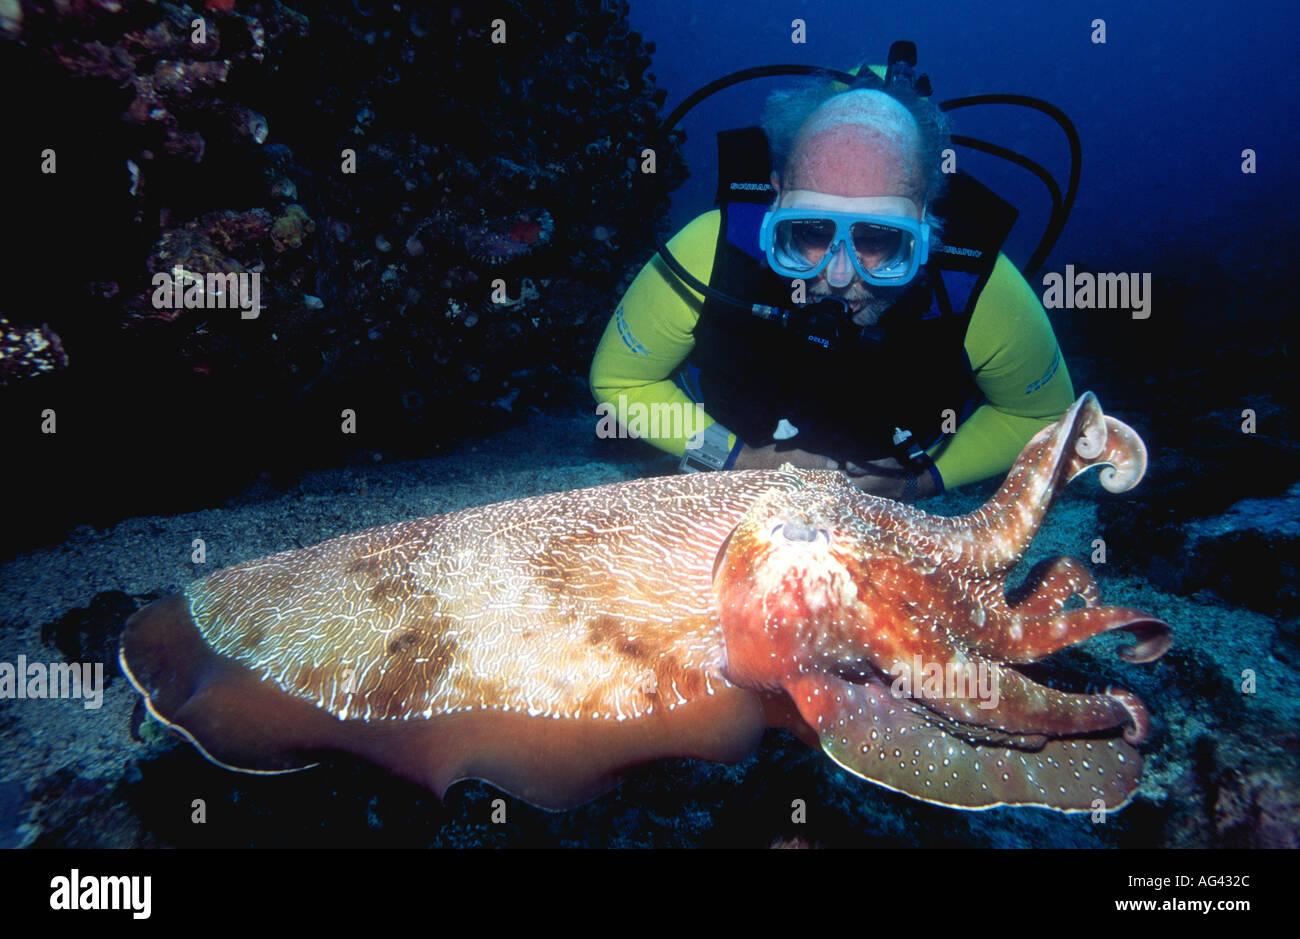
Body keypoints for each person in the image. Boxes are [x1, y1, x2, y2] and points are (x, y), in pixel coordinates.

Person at [589, 70, 1074, 501]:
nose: (840, 277)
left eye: (880, 239)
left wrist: (923, 480)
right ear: (776, 198)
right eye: (812, 232)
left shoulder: (977, 286)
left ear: (925, 215)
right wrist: (731, 456)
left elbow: (1043, 416)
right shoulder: (710, 250)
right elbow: (621, 380)